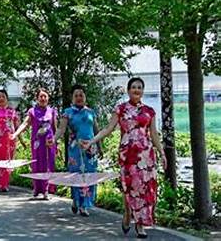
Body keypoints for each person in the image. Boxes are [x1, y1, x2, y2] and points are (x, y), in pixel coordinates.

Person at [91, 78, 167, 238]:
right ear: (128, 90)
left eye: (140, 87)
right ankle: (127, 212)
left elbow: (154, 134)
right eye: (134, 87)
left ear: (143, 91)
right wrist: (92, 141)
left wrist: (162, 152)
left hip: (146, 156)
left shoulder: (149, 111)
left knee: (144, 188)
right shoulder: (120, 109)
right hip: (128, 155)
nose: (137, 90)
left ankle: (140, 225)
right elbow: (108, 128)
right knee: (129, 187)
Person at [53, 85, 99, 216]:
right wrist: (54, 139)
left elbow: (96, 130)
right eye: (76, 95)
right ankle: (76, 200)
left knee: (90, 175)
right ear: (72, 98)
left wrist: (100, 147)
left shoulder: (91, 112)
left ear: (85, 97)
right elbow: (61, 130)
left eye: (81, 95)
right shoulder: (68, 112)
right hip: (75, 150)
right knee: (77, 175)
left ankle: (84, 204)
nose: (79, 98)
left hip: (90, 150)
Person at [11, 88, 57, 200]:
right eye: (41, 96)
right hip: (37, 143)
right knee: (37, 164)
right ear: (37, 98)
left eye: (45, 96)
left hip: (49, 142)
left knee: (48, 164)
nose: (43, 98)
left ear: (48, 98)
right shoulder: (32, 111)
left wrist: (57, 141)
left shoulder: (52, 111)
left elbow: (55, 128)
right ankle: (37, 188)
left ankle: (46, 189)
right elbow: (25, 124)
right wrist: (15, 134)